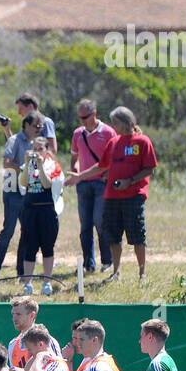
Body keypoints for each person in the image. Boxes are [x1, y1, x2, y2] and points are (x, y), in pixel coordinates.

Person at [67, 106, 155, 281]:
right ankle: (116, 272)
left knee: (138, 235)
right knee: (113, 236)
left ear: (126, 122)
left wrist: (129, 181)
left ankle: (142, 273)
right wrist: (80, 176)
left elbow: (149, 168)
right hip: (112, 196)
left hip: (134, 196)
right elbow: (101, 166)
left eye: (116, 123)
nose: (113, 127)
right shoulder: (113, 143)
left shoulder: (142, 142)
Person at [0, 112, 43, 282]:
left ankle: (21, 271)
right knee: (9, 230)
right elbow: (6, 163)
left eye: (41, 127)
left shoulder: (35, 143)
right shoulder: (15, 140)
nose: (39, 129)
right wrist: (26, 169)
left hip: (28, 191)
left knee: (26, 231)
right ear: (26, 125)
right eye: (36, 126)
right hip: (13, 190)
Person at [70, 99, 114, 273]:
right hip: (83, 185)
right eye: (80, 117)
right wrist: (75, 172)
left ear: (94, 114)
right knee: (85, 225)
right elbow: (74, 158)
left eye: (85, 117)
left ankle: (107, 261)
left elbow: (115, 159)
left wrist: (108, 175)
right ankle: (89, 264)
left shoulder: (109, 133)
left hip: (101, 184)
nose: (82, 121)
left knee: (100, 221)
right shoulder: (77, 134)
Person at [17, 136, 64, 296]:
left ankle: (46, 282)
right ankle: (28, 283)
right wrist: (26, 162)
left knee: (47, 247)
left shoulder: (53, 165)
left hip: (47, 211)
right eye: (34, 149)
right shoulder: (27, 165)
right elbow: (23, 183)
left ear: (47, 149)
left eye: (40, 149)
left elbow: (46, 184)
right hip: (30, 210)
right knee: (29, 247)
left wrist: (41, 165)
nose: (36, 152)